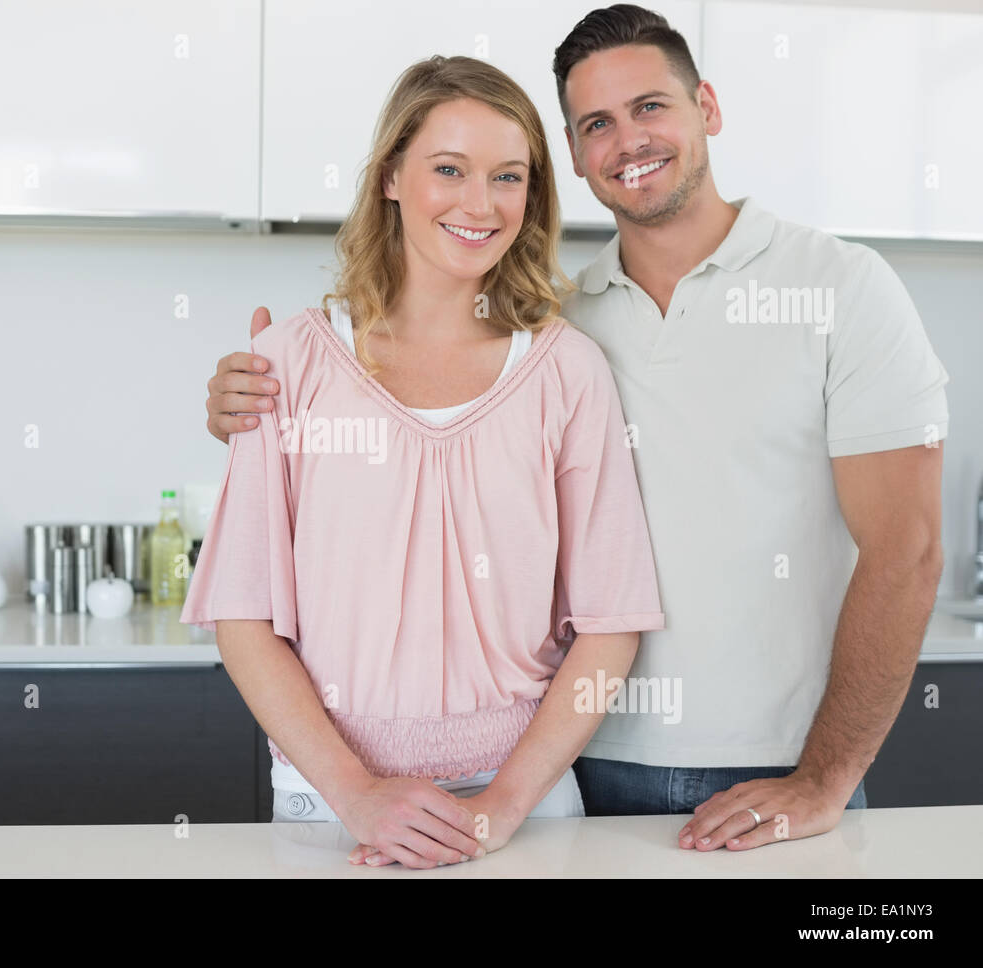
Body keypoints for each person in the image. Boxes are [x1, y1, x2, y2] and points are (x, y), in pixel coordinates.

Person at [202, 4, 950, 858]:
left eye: (651, 107)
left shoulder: (833, 289)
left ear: (706, 107)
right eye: (597, 122)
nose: (629, 140)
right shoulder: (572, 318)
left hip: (774, 771)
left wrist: (824, 778)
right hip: (590, 767)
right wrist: (250, 405)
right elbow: (259, 592)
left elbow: (910, 548)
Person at [181, 54, 664, 870]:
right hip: (327, 799)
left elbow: (611, 626)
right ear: (390, 178)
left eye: (508, 176)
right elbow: (244, 619)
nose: (481, 203)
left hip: (527, 802)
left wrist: (501, 809)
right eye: (449, 169)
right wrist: (357, 793)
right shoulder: (286, 362)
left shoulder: (569, 371)